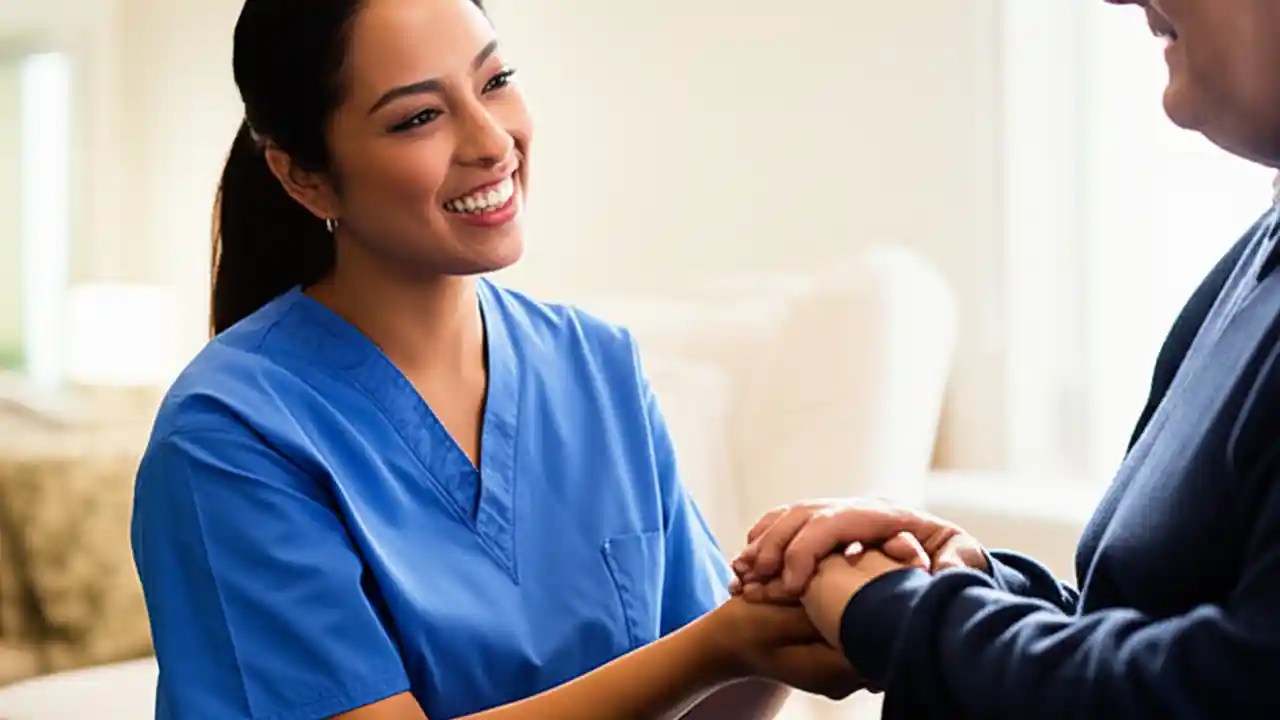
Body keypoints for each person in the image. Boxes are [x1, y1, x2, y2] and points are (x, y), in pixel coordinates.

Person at [129, 0, 902, 718]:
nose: (492, 141)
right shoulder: (229, 434)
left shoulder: (598, 367)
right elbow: (698, 656)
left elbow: (707, 693)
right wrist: (717, 646)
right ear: (303, 175)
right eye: (420, 117)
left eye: (495, 80)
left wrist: (786, 613)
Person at [730, 1, 1280, 718]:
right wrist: (983, 582)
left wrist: (896, 612)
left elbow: (1212, 696)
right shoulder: (1253, 259)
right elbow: (1151, 627)